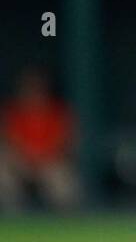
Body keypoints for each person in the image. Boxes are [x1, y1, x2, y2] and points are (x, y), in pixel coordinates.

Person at [0, 68, 81, 213]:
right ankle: (12, 216)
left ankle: (66, 221)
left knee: (62, 179)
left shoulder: (57, 111)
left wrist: (43, 156)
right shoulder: (13, 111)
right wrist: (26, 156)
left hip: (49, 161)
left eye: (36, 88)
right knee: (3, 168)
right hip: (21, 162)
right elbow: (9, 139)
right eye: (28, 88)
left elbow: (64, 140)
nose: (32, 92)